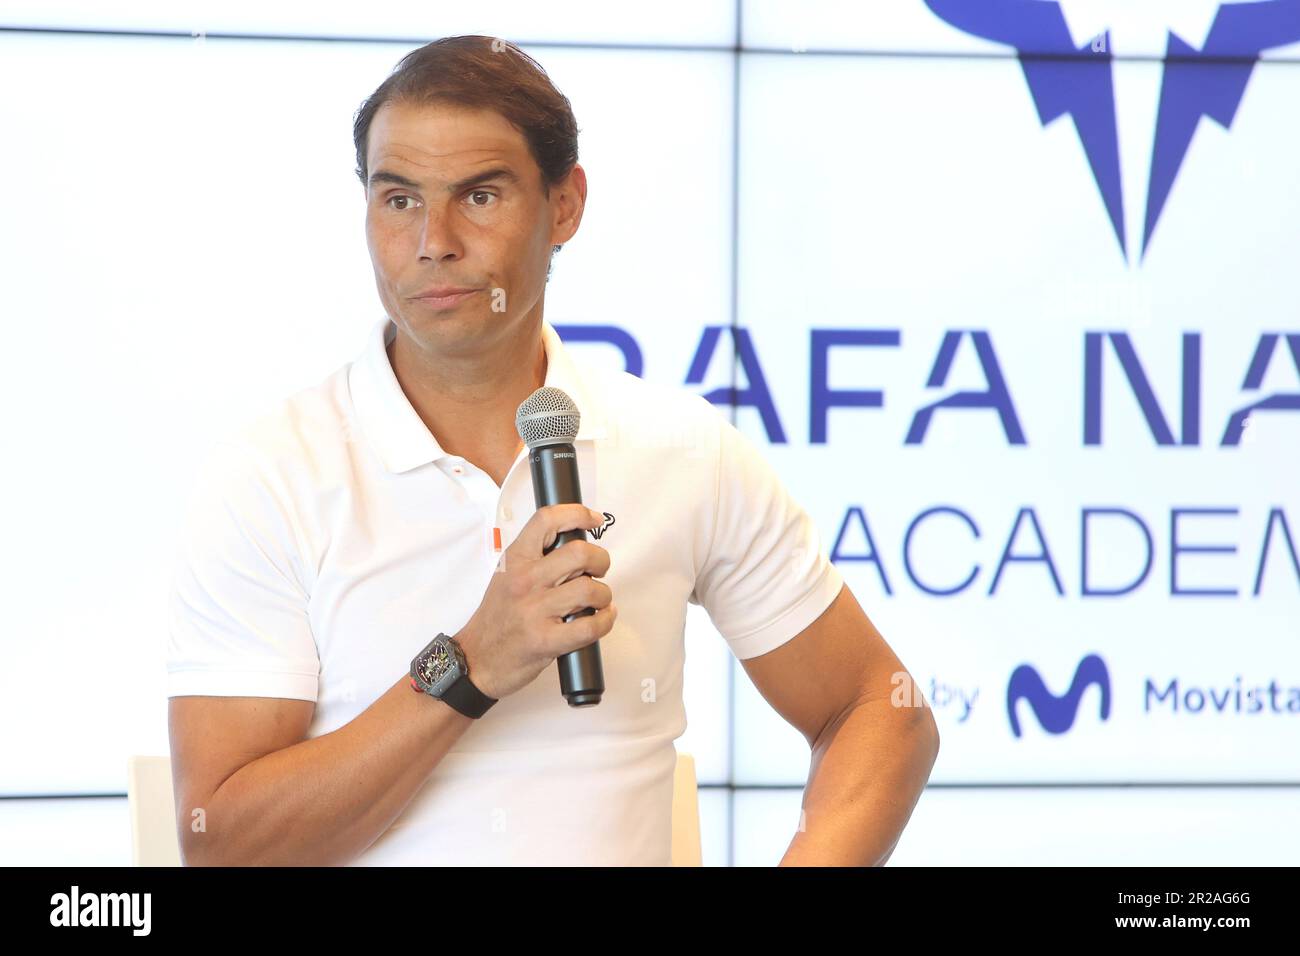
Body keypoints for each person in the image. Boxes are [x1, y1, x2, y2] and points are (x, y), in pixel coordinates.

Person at [166, 35, 937, 866]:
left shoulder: (682, 450)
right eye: (398, 200)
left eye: (480, 196)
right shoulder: (271, 475)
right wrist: (470, 665)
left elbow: (881, 710)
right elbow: (223, 844)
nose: (433, 241)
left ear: (564, 205)